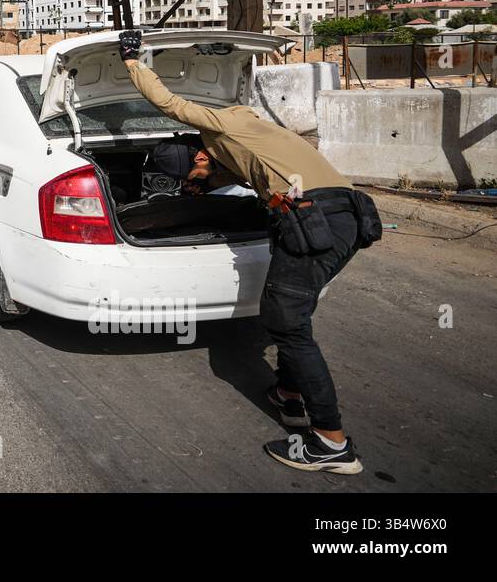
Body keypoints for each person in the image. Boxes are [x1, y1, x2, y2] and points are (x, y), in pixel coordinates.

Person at [118, 29, 381, 475]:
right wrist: (198, 188)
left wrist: (131, 61)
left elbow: (169, 104)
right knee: (295, 314)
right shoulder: (256, 132)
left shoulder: (222, 124)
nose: (203, 173)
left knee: (285, 321)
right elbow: (233, 175)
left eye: (198, 168)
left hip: (315, 217)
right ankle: (290, 396)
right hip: (348, 214)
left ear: (200, 154)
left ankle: (331, 444)